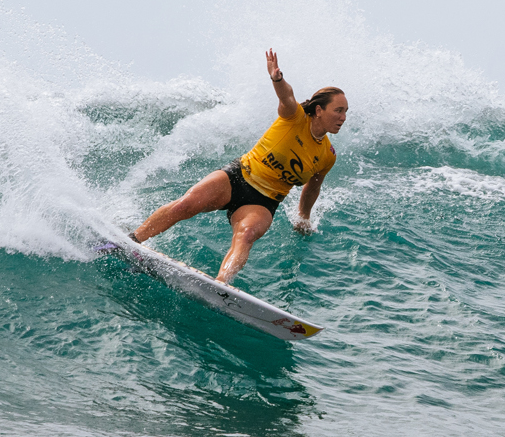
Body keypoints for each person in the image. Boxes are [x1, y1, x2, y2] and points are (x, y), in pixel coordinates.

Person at [128, 49, 348, 283]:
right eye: (338, 110)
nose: (343, 117)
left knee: (246, 234)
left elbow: (313, 188)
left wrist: (303, 218)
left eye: (345, 112)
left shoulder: (327, 155)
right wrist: (277, 79)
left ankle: (221, 285)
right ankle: (131, 240)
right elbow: (287, 97)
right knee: (185, 205)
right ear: (319, 110)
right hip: (238, 177)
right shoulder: (295, 117)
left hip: (263, 201)